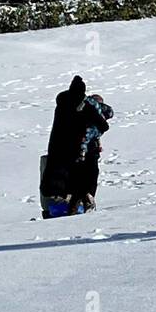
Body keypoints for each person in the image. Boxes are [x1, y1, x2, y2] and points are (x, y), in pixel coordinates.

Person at [40, 76, 113, 216]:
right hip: (81, 152)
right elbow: (103, 125)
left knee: (58, 174)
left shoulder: (64, 104)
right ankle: (81, 201)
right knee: (83, 176)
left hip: (61, 149)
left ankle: (63, 203)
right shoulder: (87, 106)